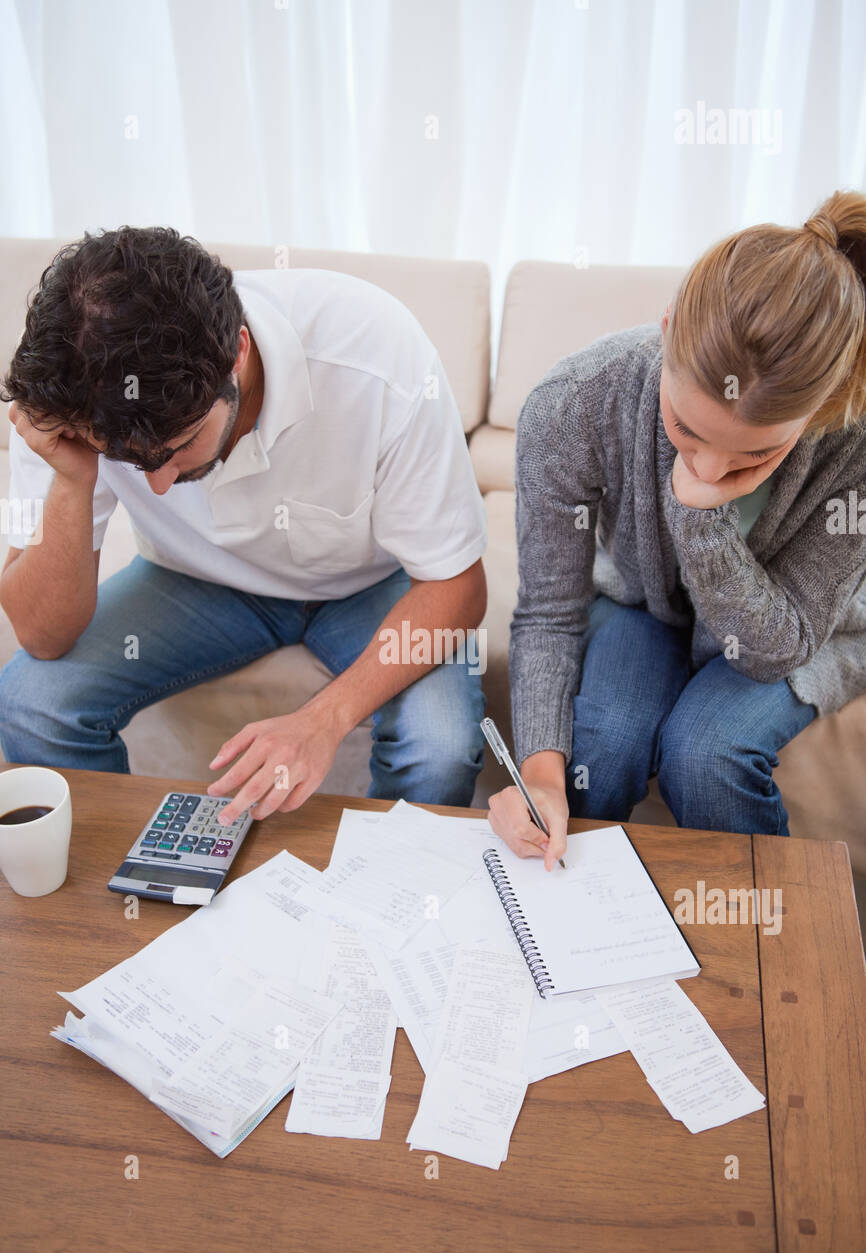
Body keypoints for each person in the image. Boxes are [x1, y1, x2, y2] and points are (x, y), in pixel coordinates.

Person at [0, 227, 488, 823]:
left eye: (177, 448)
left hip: (375, 590)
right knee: (32, 703)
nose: (155, 485)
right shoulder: (68, 394)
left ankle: (387, 899)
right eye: (129, 460)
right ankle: (132, 886)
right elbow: (43, 636)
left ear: (238, 352)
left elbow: (458, 588)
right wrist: (74, 482)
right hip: (193, 583)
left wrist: (323, 719)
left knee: (440, 749)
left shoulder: (378, 355)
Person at [489, 190, 866, 869]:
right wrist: (540, 773)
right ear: (666, 329)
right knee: (600, 744)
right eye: (686, 429)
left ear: (818, 411)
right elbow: (549, 610)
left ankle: (768, 948)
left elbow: (774, 649)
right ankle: (573, 924)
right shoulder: (573, 403)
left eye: (757, 454)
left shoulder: (855, 443)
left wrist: (700, 514)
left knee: (706, 753)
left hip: (807, 630)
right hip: (647, 604)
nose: (713, 466)